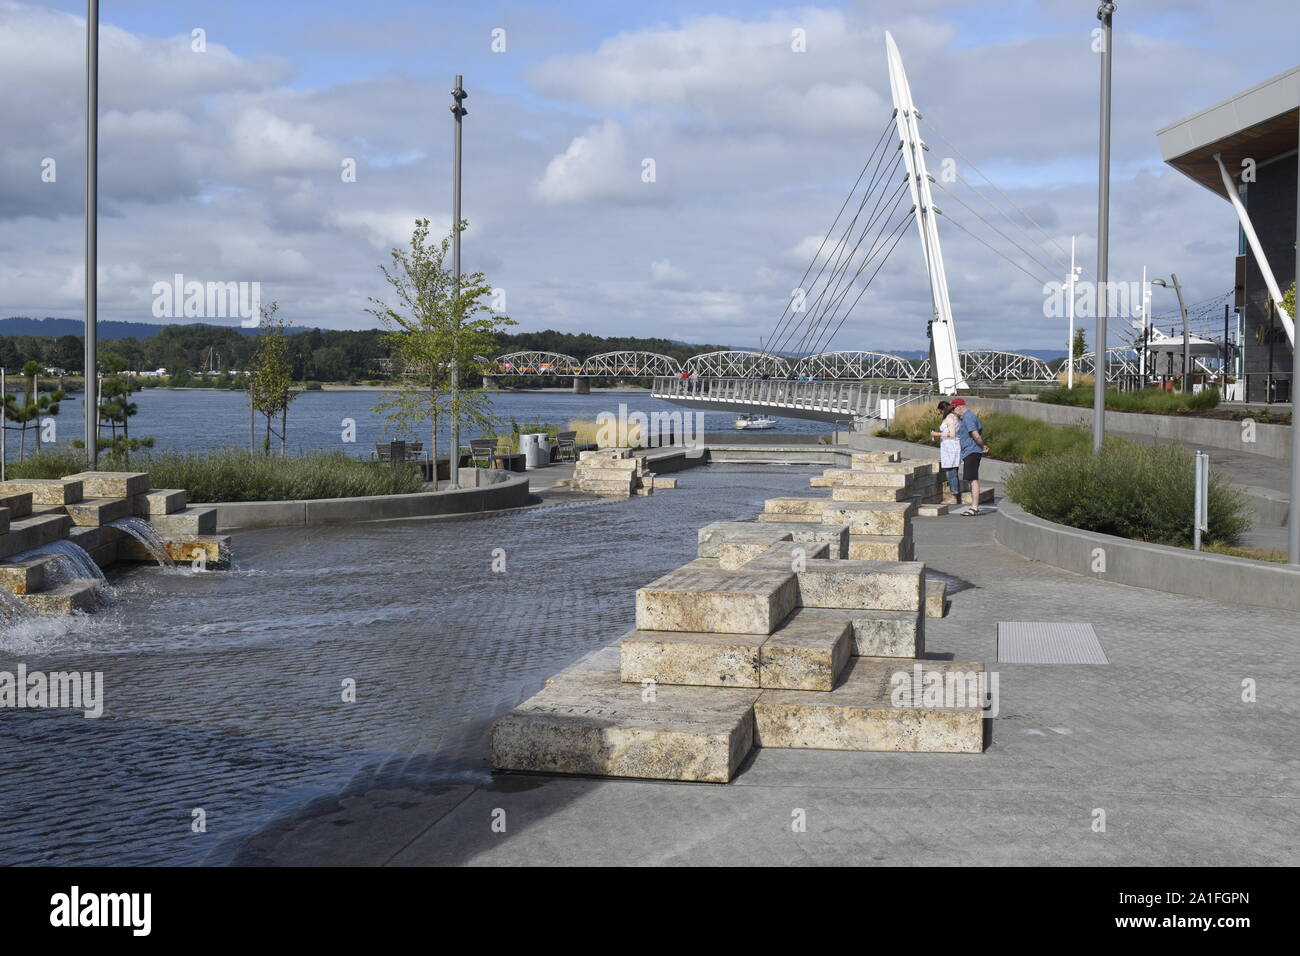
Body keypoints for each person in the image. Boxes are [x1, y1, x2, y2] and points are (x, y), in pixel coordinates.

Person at [949, 397, 989, 516]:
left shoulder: (968, 417)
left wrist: (982, 446)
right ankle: (974, 506)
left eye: (954, 409)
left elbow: (975, 434)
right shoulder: (968, 417)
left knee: (973, 479)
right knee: (971, 479)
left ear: (959, 407)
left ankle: (974, 507)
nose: (953, 412)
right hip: (970, 451)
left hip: (972, 451)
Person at [929, 400, 962, 506]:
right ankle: (955, 494)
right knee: (953, 471)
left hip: (951, 447)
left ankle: (954, 496)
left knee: (951, 472)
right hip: (952, 447)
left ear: (942, 409)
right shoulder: (955, 417)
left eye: (939, 411)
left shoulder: (950, 418)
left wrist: (936, 434)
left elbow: (952, 434)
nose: (939, 413)